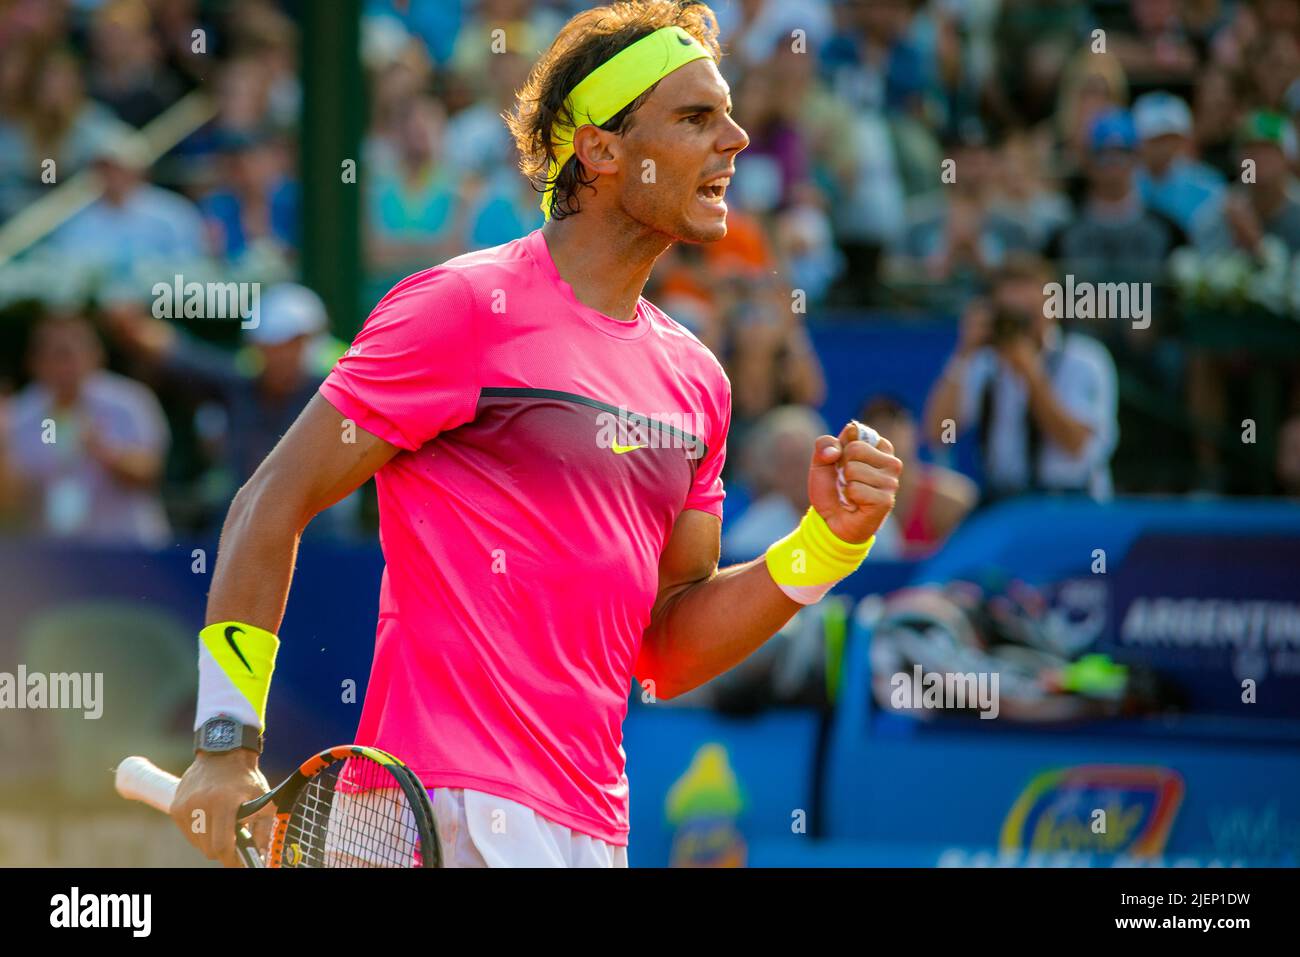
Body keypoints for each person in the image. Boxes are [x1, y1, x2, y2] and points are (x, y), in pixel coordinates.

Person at [167, 0, 903, 870]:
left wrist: (822, 546)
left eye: (730, 113)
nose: (737, 139)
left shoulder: (698, 381)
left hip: (592, 826)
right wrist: (225, 739)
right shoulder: (461, 308)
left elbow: (663, 648)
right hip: (440, 810)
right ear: (599, 147)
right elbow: (272, 498)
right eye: (697, 117)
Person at [922, 255, 1119, 501]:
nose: (1020, 327)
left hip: (1070, 502)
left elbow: (1075, 445)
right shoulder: (984, 366)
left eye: (1029, 315)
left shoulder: (1085, 360)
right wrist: (963, 354)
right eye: (1011, 316)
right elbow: (939, 434)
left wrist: (1031, 376)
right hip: (1005, 501)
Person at [0, 313, 170, 546]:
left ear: (96, 355)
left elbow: (151, 472)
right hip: (54, 562)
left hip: (127, 552)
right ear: (34, 362)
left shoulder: (129, 402)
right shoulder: (19, 415)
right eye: (53, 355)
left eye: (70, 354)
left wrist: (108, 455)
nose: (64, 366)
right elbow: (10, 505)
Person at [856, 395, 975, 559]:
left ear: (914, 433)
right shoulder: (848, 501)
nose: (885, 436)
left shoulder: (951, 501)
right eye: (875, 428)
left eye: (892, 426)